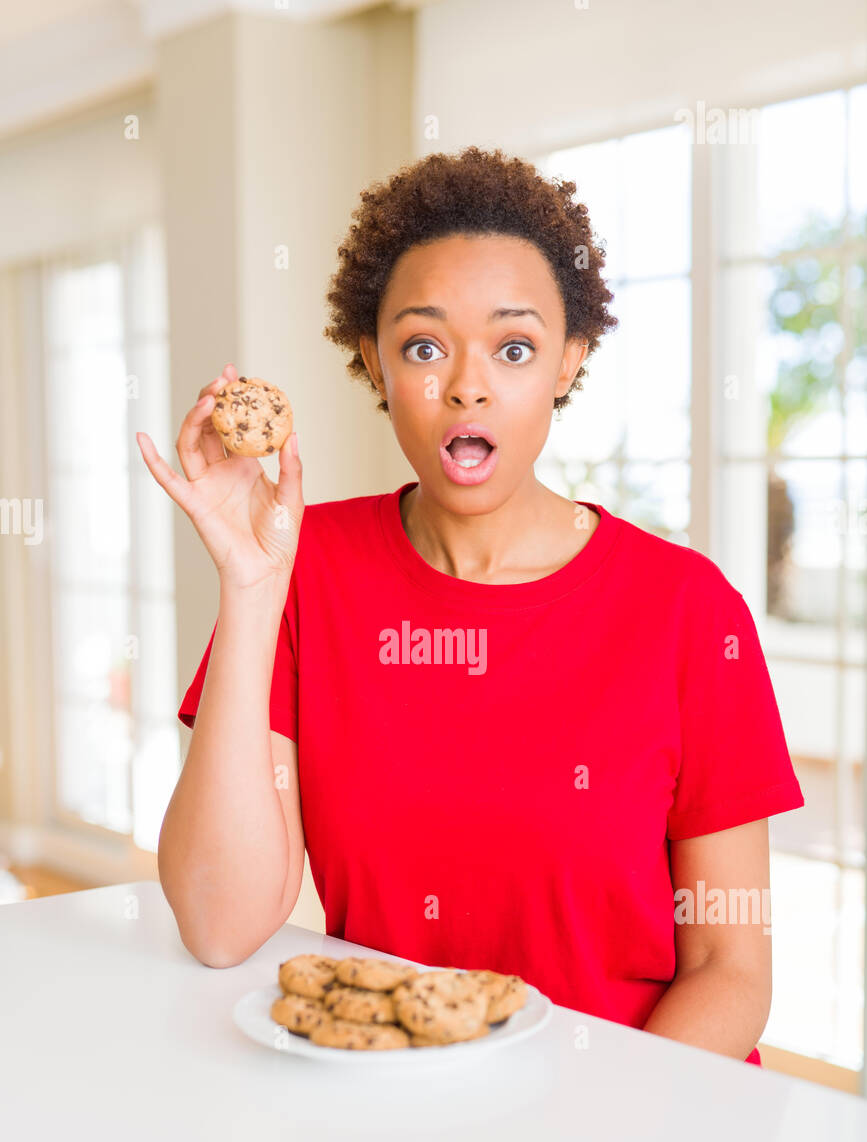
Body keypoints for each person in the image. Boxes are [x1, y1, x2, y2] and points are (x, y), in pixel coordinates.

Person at [137, 146, 804, 1067]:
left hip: (631, 1128)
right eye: (422, 346)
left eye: (515, 346)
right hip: (389, 1121)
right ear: (372, 362)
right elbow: (217, 925)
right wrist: (251, 592)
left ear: (569, 362)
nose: (466, 385)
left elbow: (732, 970)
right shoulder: (303, 569)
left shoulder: (689, 610)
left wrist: (582, 1136)